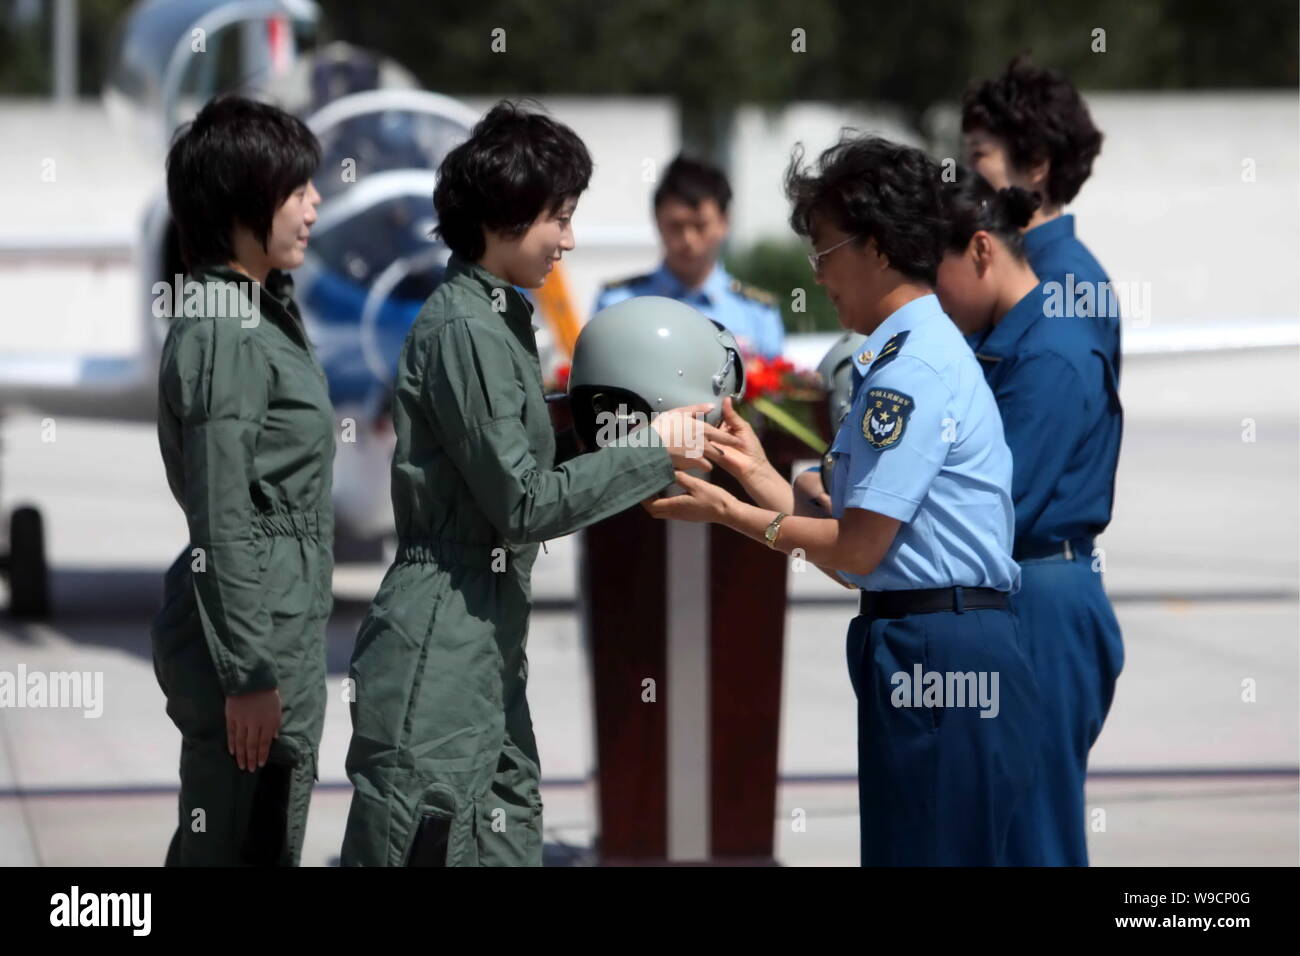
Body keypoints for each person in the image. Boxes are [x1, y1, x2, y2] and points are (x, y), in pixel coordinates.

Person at [339, 102, 726, 867]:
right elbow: (523, 503)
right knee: (429, 840)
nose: (571, 240)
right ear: (507, 214)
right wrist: (653, 446)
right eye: (559, 217)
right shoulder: (466, 331)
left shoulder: (497, 321)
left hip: (483, 635)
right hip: (442, 638)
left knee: (504, 839)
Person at [646, 134, 1042, 866]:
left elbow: (858, 550)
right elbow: (863, 551)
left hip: (938, 653)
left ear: (877, 248)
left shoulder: (908, 370)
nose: (820, 278)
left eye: (825, 253)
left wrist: (734, 514)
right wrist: (761, 474)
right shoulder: (907, 355)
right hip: (924, 638)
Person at [152, 94, 330, 865]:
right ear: (242, 201)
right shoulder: (228, 330)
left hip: (272, 629)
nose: (315, 205)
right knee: (230, 847)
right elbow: (222, 515)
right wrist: (249, 673)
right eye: (296, 191)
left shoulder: (256, 315)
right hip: (252, 649)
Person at [936, 169, 1124, 866]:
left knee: (1033, 837)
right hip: (1014, 595)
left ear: (981, 250)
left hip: (1040, 599)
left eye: (937, 272)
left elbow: (996, 507)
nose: (931, 295)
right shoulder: (1008, 338)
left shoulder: (1050, 352)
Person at [961, 55, 1120, 375]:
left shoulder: (1065, 283)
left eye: (979, 154)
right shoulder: (1063, 272)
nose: (967, 171)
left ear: (1036, 165)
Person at [594, 154, 785, 358]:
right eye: (676, 226)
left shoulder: (757, 311)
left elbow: (774, 385)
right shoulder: (616, 304)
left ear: (724, 222)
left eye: (700, 225)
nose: (688, 240)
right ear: (657, 220)